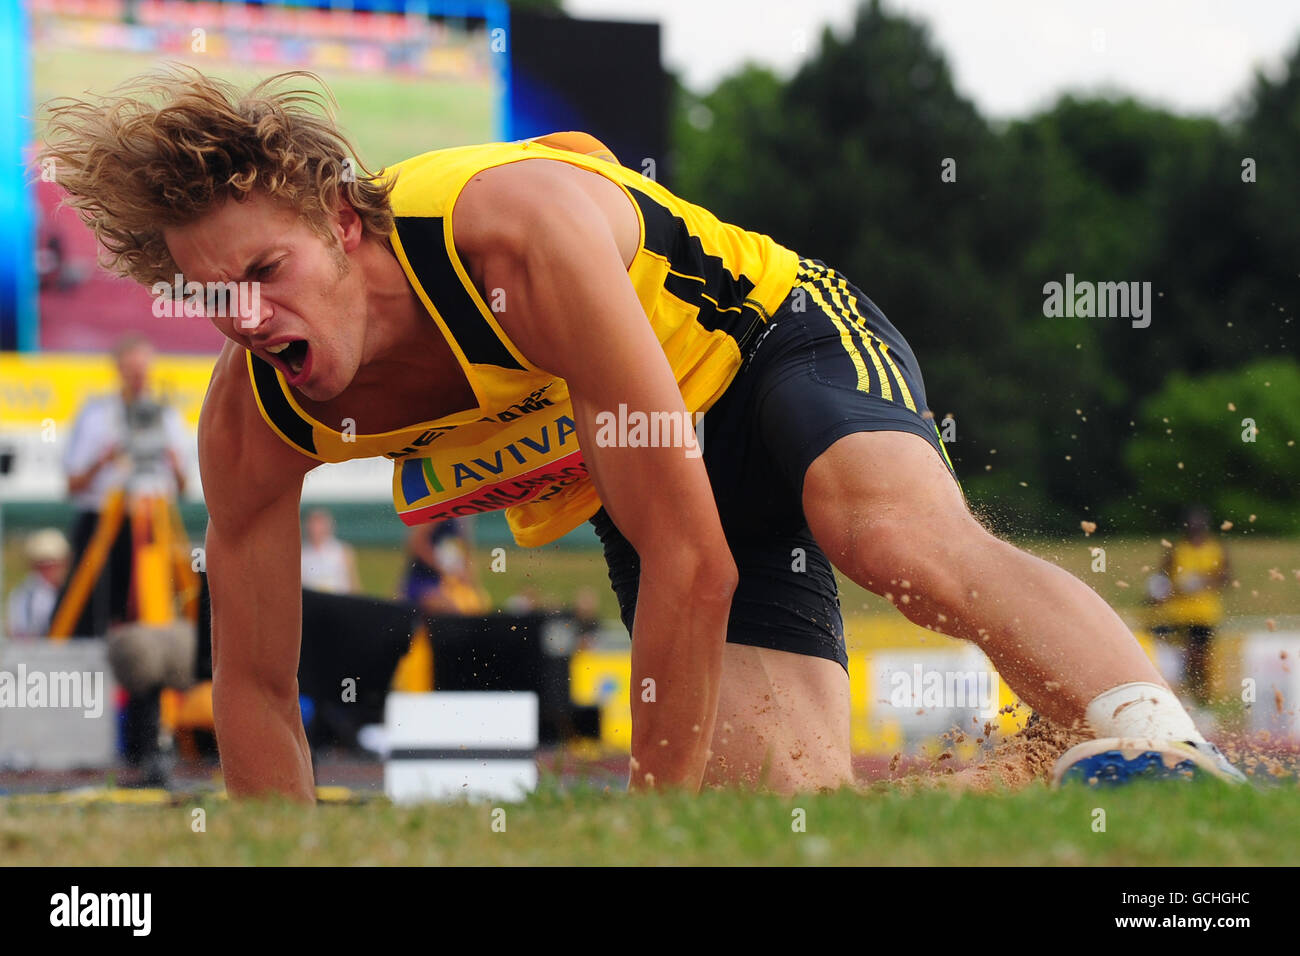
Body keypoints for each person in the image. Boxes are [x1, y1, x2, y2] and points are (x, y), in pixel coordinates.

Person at [41, 67, 1245, 799]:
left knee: (878, 528)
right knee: (774, 813)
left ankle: (1156, 733)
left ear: (346, 224)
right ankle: (1047, 774)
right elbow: (254, 683)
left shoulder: (503, 238)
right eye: (215, 296)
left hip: (777, 344)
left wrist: (644, 824)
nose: (247, 318)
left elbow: (694, 562)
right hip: (637, 459)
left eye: (266, 271)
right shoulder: (256, 416)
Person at [58, 333, 191, 637]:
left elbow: (184, 487)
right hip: (102, 521)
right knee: (87, 615)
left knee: (160, 609)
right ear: (118, 370)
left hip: (154, 520)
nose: (138, 378)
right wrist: (103, 460)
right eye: (131, 370)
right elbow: (72, 483)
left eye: (143, 370)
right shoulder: (95, 415)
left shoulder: (166, 417)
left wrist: (171, 460)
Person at [1147, 506, 1230, 708]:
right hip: (1178, 614)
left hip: (1205, 614)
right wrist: (1159, 592)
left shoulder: (1216, 549)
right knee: (1181, 660)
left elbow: (1226, 576)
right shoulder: (1177, 550)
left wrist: (1203, 581)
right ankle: (1182, 700)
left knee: (1201, 661)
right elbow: (1162, 578)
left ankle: (1201, 702)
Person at [5, 529, 70, 638]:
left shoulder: (72, 591)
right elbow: (20, 634)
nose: (50, 569)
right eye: (44, 564)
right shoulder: (24, 595)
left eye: (54, 563)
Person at [300, 507, 360, 594]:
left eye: (320, 523)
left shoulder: (343, 550)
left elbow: (353, 583)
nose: (316, 528)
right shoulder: (301, 553)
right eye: (313, 523)